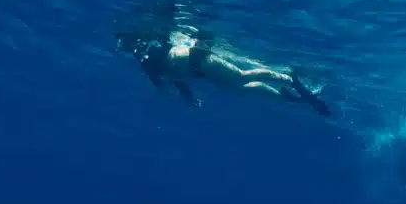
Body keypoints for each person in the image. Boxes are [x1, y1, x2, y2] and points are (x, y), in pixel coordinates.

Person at [115, 26, 332, 117]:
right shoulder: (149, 61)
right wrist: (188, 96)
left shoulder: (148, 61)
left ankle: (289, 79)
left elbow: (173, 80)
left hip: (197, 60)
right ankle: (288, 95)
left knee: (242, 77)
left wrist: (187, 96)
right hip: (197, 65)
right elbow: (176, 80)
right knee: (241, 86)